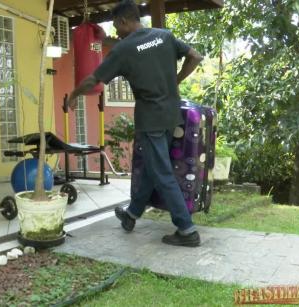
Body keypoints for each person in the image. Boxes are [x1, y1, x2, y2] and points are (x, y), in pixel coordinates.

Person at [67, 0, 203, 247]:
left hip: (150, 118)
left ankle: (186, 229)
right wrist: (176, 81)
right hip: (171, 115)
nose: (116, 32)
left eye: (116, 27)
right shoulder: (164, 36)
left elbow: (93, 80)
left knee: (161, 172)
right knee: (153, 166)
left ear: (122, 21)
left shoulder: (124, 49)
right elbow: (195, 56)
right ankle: (131, 215)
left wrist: (74, 94)